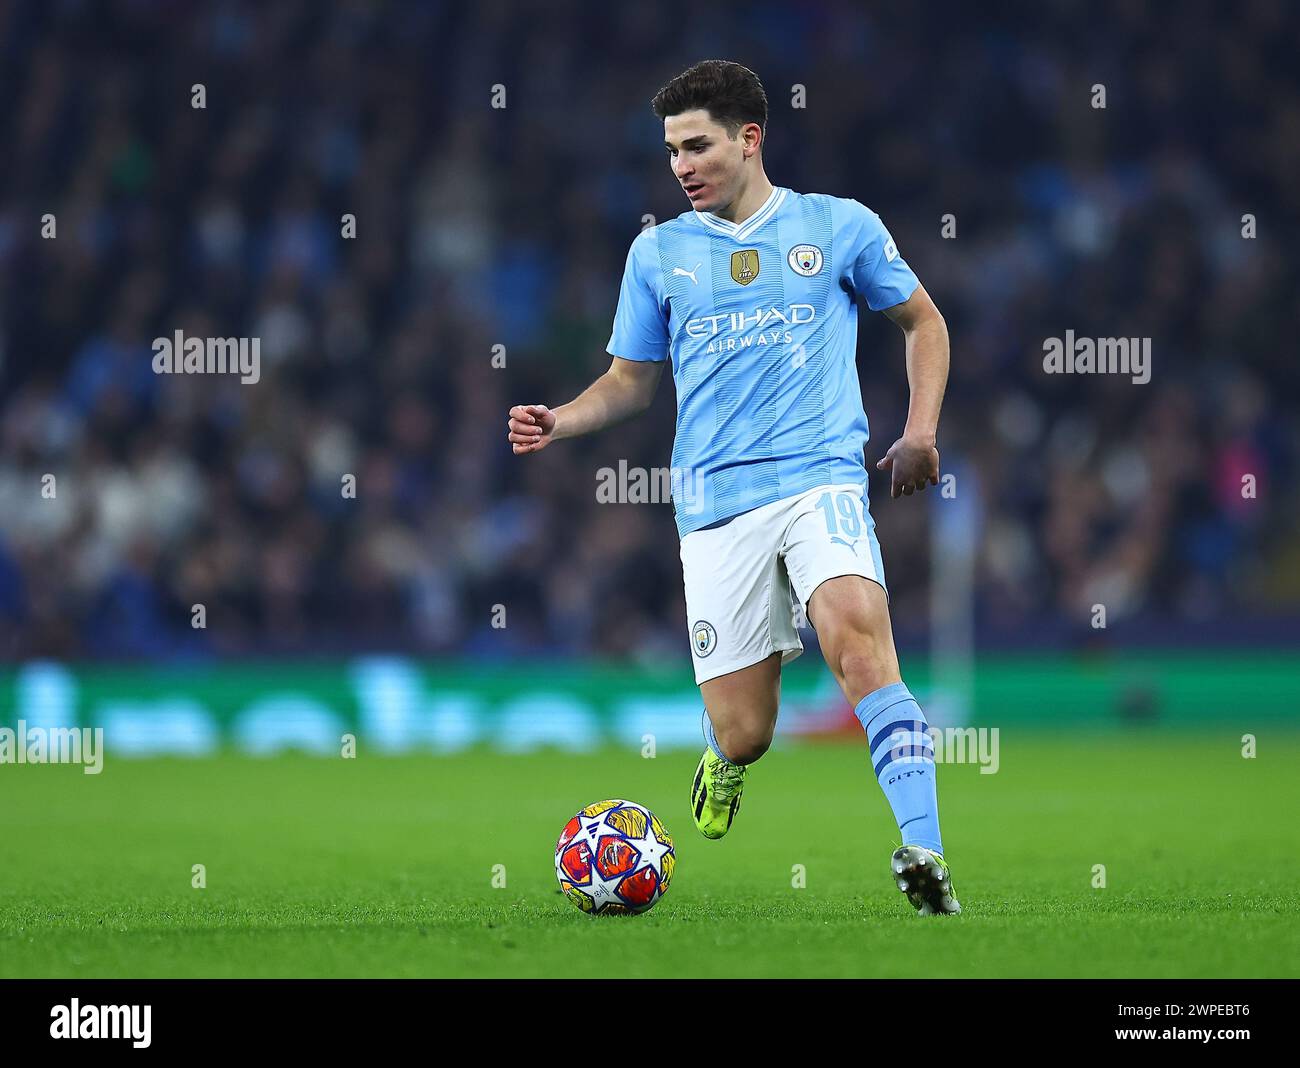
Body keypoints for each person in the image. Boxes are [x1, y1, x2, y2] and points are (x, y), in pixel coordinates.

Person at [507, 59, 958, 914]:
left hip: (821, 478)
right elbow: (631, 380)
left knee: (860, 649)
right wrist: (562, 419)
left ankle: (924, 854)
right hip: (713, 508)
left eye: (697, 145)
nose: (681, 165)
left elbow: (922, 320)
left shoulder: (839, 227)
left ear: (750, 140)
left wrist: (920, 429)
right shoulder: (658, 252)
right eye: (672, 150)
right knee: (748, 730)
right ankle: (722, 759)